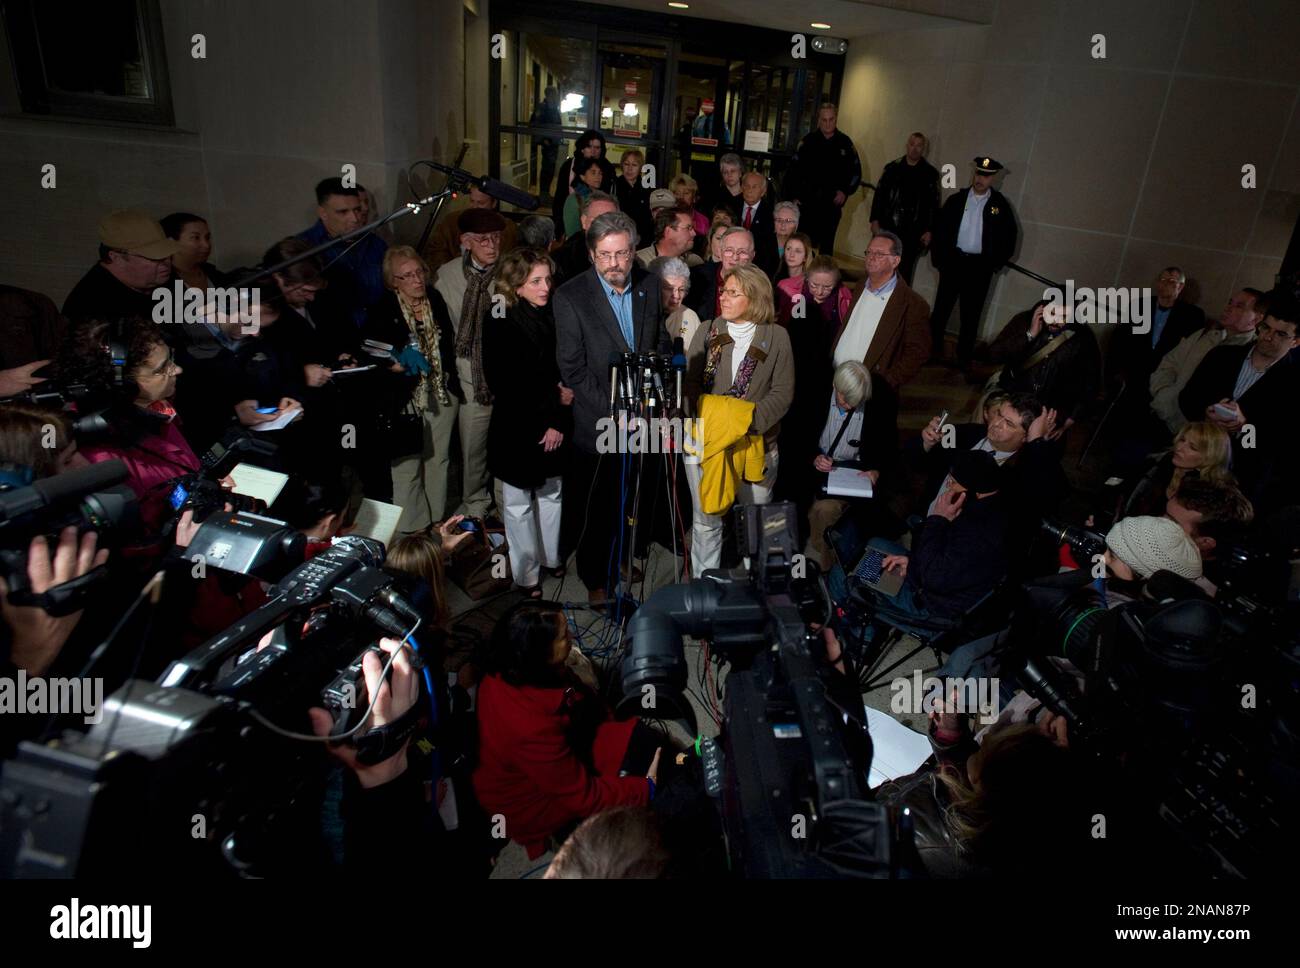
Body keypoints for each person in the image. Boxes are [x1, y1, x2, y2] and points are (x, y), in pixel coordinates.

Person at [473, 603, 657, 860]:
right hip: (533, 800)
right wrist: (646, 788)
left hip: (558, 752)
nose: (571, 638)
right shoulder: (528, 728)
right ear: (540, 655)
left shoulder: (510, 668)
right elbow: (583, 796)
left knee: (642, 739)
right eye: (563, 636)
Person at [552, 211, 667, 602]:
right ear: (591, 254)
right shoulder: (570, 296)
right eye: (605, 255)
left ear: (634, 250)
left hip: (642, 416)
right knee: (595, 505)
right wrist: (617, 411)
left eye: (622, 254)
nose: (615, 264)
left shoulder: (650, 285)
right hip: (598, 421)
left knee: (627, 497)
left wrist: (652, 397)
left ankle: (618, 557)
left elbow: (660, 342)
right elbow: (573, 369)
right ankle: (594, 577)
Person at [685, 264, 793, 574]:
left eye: (733, 292)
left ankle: (758, 586)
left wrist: (744, 422)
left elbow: (783, 393)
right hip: (706, 443)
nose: (724, 297)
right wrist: (718, 419)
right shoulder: (707, 330)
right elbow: (691, 386)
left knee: (758, 519)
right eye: (723, 290)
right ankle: (704, 584)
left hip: (756, 443)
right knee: (706, 520)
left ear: (756, 297)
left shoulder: (777, 337)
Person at [55, 316, 199, 539]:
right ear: (124, 386)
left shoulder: (154, 409)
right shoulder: (98, 458)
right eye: (162, 369)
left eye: (171, 358)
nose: (177, 370)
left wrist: (205, 486)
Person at [484, 250, 571, 597]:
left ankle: (550, 557)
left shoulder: (551, 310)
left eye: (547, 279)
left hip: (554, 419)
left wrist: (557, 420)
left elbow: (562, 370)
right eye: (536, 281)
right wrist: (551, 409)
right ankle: (526, 575)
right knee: (518, 504)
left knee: (552, 493)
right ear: (516, 284)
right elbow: (506, 381)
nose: (545, 286)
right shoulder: (499, 316)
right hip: (517, 425)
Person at [363, 246, 461, 534]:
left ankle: (435, 520)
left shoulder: (435, 299)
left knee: (438, 460)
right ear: (394, 281)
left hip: (440, 391)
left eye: (419, 272)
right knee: (406, 465)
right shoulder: (384, 307)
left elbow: (447, 342)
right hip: (404, 398)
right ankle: (412, 527)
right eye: (407, 276)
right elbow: (368, 348)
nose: (417, 280)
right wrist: (395, 362)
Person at [1178, 291, 1298, 511]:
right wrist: (1206, 414)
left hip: (1241, 480)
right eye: (1265, 328)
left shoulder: (1293, 384)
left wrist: (1244, 429)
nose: (1268, 337)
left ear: (1296, 341)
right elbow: (1186, 398)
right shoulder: (1222, 356)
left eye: (1281, 334)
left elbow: (1282, 445)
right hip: (1193, 461)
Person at [435, 208, 508, 520]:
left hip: (505, 379)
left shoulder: (509, 273)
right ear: (465, 242)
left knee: (505, 448)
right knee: (472, 450)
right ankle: (475, 504)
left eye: (496, 238)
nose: (492, 246)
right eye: (483, 240)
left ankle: (507, 508)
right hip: (469, 380)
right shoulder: (446, 275)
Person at [805, 361, 898, 569]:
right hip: (822, 472)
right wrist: (814, 457)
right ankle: (829, 563)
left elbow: (889, 446)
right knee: (823, 512)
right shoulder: (814, 395)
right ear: (834, 386)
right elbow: (799, 436)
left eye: (854, 403)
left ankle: (837, 563)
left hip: (857, 473)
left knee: (861, 524)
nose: (848, 407)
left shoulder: (879, 402)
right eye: (844, 400)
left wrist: (876, 469)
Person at [928, 157, 1018, 366]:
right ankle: (931, 351)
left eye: (986, 176)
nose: (980, 179)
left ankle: (963, 358)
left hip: (979, 267)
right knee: (941, 310)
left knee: (971, 314)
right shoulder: (957, 200)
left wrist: (993, 263)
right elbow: (939, 230)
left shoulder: (999, 205)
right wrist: (940, 261)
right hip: (954, 262)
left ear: (993, 178)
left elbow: (1009, 236)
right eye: (978, 174)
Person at [830, 231, 932, 413]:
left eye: (879, 254)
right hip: (836, 378)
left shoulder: (912, 303)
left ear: (896, 261)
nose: (871, 258)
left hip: (869, 391)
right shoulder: (861, 285)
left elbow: (918, 353)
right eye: (869, 252)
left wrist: (884, 382)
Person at [1150, 287, 1263, 436]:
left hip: (1196, 434)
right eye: (1230, 302)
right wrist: (1163, 393)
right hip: (1163, 414)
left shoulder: (1250, 354)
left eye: (1239, 306)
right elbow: (1169, 363)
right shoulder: (1206, 334)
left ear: (1256, 319)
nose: (1228, 308)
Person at [984, 295, 1101, 437]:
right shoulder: (1024, 320)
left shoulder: (1083, 337)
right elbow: (993, 355)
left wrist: (1069, 420)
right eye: (1052, 313)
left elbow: (1090, 383)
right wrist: (1029, 335)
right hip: (1012, 403)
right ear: (1042, 308)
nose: (1056, 321)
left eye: (1064, 316)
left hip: (1050, 414)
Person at [298, 177, 388, 328]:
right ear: (323, 213)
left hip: (378, 337)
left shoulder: (376, 245)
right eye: (343, 212)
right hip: (330, 342)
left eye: (357, 210)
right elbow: (256, 287)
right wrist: (249, 328)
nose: (354, 218)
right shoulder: (303, 247)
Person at [62, 210, 178, 323]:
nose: (166, 261)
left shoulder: (167, 281)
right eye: (154, 257)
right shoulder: (92, 309)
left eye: (167, 253)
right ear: (116, 257)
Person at [783, 103, 862, 253]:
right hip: (807, 205)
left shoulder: (845, 143)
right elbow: (792, 172)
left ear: (836, 119)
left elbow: (856, 172)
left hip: (831, 205)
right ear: (819, 120)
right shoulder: (808, 142)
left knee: (826, 248)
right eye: (824, 120)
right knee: (805, 247)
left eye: (831, 119)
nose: (827, 123)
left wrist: (845, 191)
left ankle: (824, 277)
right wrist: (793, 197)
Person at [1122, 421, 1233, 519]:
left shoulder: (1207, 496)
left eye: (1192, 447)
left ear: (1210, 457)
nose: (1179, 448)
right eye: (1182, 440)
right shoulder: (1156, 465)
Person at [869, 132, 941, 285]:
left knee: (904, 272)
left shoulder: (929, 174)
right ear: (907, 145)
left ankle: (898, 304)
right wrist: (875, 220)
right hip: (889, 226)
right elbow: (879, 196)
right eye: (912, 144)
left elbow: (933, 204)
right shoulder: (892, 169)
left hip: (913, 231)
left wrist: (929, 229)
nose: (915, 149)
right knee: (881, 266)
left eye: (919, 146)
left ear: (924, 149)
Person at [423, 185, 518, 270]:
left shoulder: (507, 228)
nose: (475, 207)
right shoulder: (451, 221)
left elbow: (510, 262)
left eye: (481, 203)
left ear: (494, 203)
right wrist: (453, 272)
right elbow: (435, 252)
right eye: (472, 201)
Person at [551, 129, 615, 234]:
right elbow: (560, 197)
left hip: (598, 225)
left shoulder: (607, 168)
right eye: (589, 146)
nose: (593, 151)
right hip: (570, 216)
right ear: (582, 149)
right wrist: (559, 226)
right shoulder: (569, 166)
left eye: (597, 147)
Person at [686, 225, 754, 321]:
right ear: (720, 253)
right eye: (729, 250)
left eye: (742, 252)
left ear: (752, 256)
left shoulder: (760, 286)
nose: (735, 257)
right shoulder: (696, 277)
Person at [551, 191, 618, 283]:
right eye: (597, 220)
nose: (604, 226)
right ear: (584, 221)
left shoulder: (627, 259)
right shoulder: (562, 261)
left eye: (610, 220)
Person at [159, 212, 226, 291]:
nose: (206, 245)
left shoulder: (214, 274)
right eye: (196, 238)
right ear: (171, 242)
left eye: (207, 238)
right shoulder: (163, 283)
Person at [735, 172, 778, 277]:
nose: (750, 190)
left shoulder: (770, 213)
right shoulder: (731, 206)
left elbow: (770, 252)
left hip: (757, 269)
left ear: (763, 191)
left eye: (754, 187)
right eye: (747, 186)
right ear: (741, 187)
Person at [635, 204, 701, 269]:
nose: (694, 233)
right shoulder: (640, 261)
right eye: (688, 228)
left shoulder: (695, 262)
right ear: (668, 232)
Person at [528, 85, 562, 201]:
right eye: (555, 94)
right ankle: (543, 194)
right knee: (546, 169)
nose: (557, 97)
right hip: (547, 145)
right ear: (550, 95)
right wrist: (544, 140)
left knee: (550, 169)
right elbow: (535, 124)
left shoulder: (553, 108)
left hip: (553, 144)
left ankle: (546, 193)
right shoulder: (543, 107)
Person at [613, 148, 653, 244]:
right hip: (619, 238)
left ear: (640, 168)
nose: (629, 169)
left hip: (643, 241)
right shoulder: (613, 186)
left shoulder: (647, 189)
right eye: (626, 164)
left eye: (634, 165)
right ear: (622, 165)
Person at [563, 156, 607, 238]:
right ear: (582, 176)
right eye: (593, 172)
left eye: (600, 173)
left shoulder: (603, 198)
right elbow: (572, 233)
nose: (598, 176)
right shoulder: (574, 200)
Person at [702, 152, 745, 220]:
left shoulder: (747, 195)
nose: (729, 175)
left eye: (733, 171)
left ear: (740, 173)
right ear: (722, 175)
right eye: (725, 172)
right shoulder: (714, 195)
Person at [668, 173, 711, 239]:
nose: (681, 197)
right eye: (677, 193)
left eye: (686, 193)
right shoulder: (667, 218)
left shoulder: (703, 221)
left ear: (694, 197)